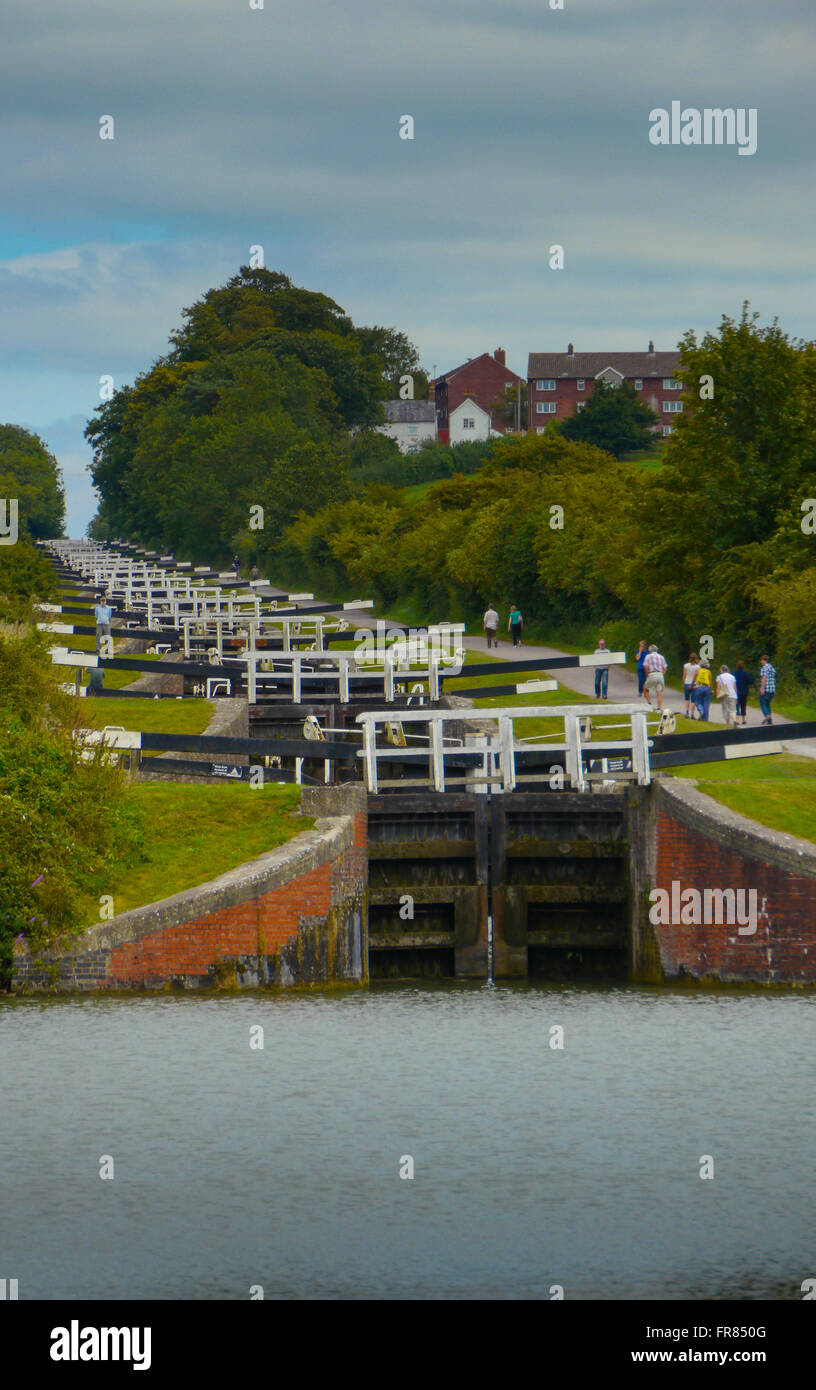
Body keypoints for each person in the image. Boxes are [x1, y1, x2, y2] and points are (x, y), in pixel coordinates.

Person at [642, 643, 667, 711]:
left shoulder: (648, 656)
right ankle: (659, 708)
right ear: (656, 650)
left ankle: (649, 704)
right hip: (660, 674)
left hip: (652, 674)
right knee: (658, 691)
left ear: (650, 650)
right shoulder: (661, 657)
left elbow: (645, 666)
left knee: (645, 689)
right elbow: (665, 668)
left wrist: (647, 675)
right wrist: (662, 674)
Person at [733, 661, 754, 726]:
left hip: (736, 691)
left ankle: (737, 720)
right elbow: (751, 681)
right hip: (744, 691)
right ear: (743, 666)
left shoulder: (734, 673)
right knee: (743, 705)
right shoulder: (745, 674)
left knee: (736, 705)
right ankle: (744, 719)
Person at [758, 655, 776, 725]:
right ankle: (770, 720)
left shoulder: (764, 668)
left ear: (764, 660)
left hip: (766, 689)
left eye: (761, 660)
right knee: (768, 704)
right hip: (772, 689)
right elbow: (774, 678)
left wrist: (762, 688)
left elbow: (764, 678)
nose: (760, 662)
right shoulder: (772, 668)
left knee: (762, 703)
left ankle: (767, 716)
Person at [682, 652, 700, 719]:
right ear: (696, 659)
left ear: (690, 658)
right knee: (693, 700)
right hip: (694, 684)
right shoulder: (698, 667)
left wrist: (683, 683)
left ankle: (687, 712)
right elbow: (697, 677)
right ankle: (692, 714)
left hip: (687, 683)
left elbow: (684, 675)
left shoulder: (686, 665)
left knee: (687, 699)